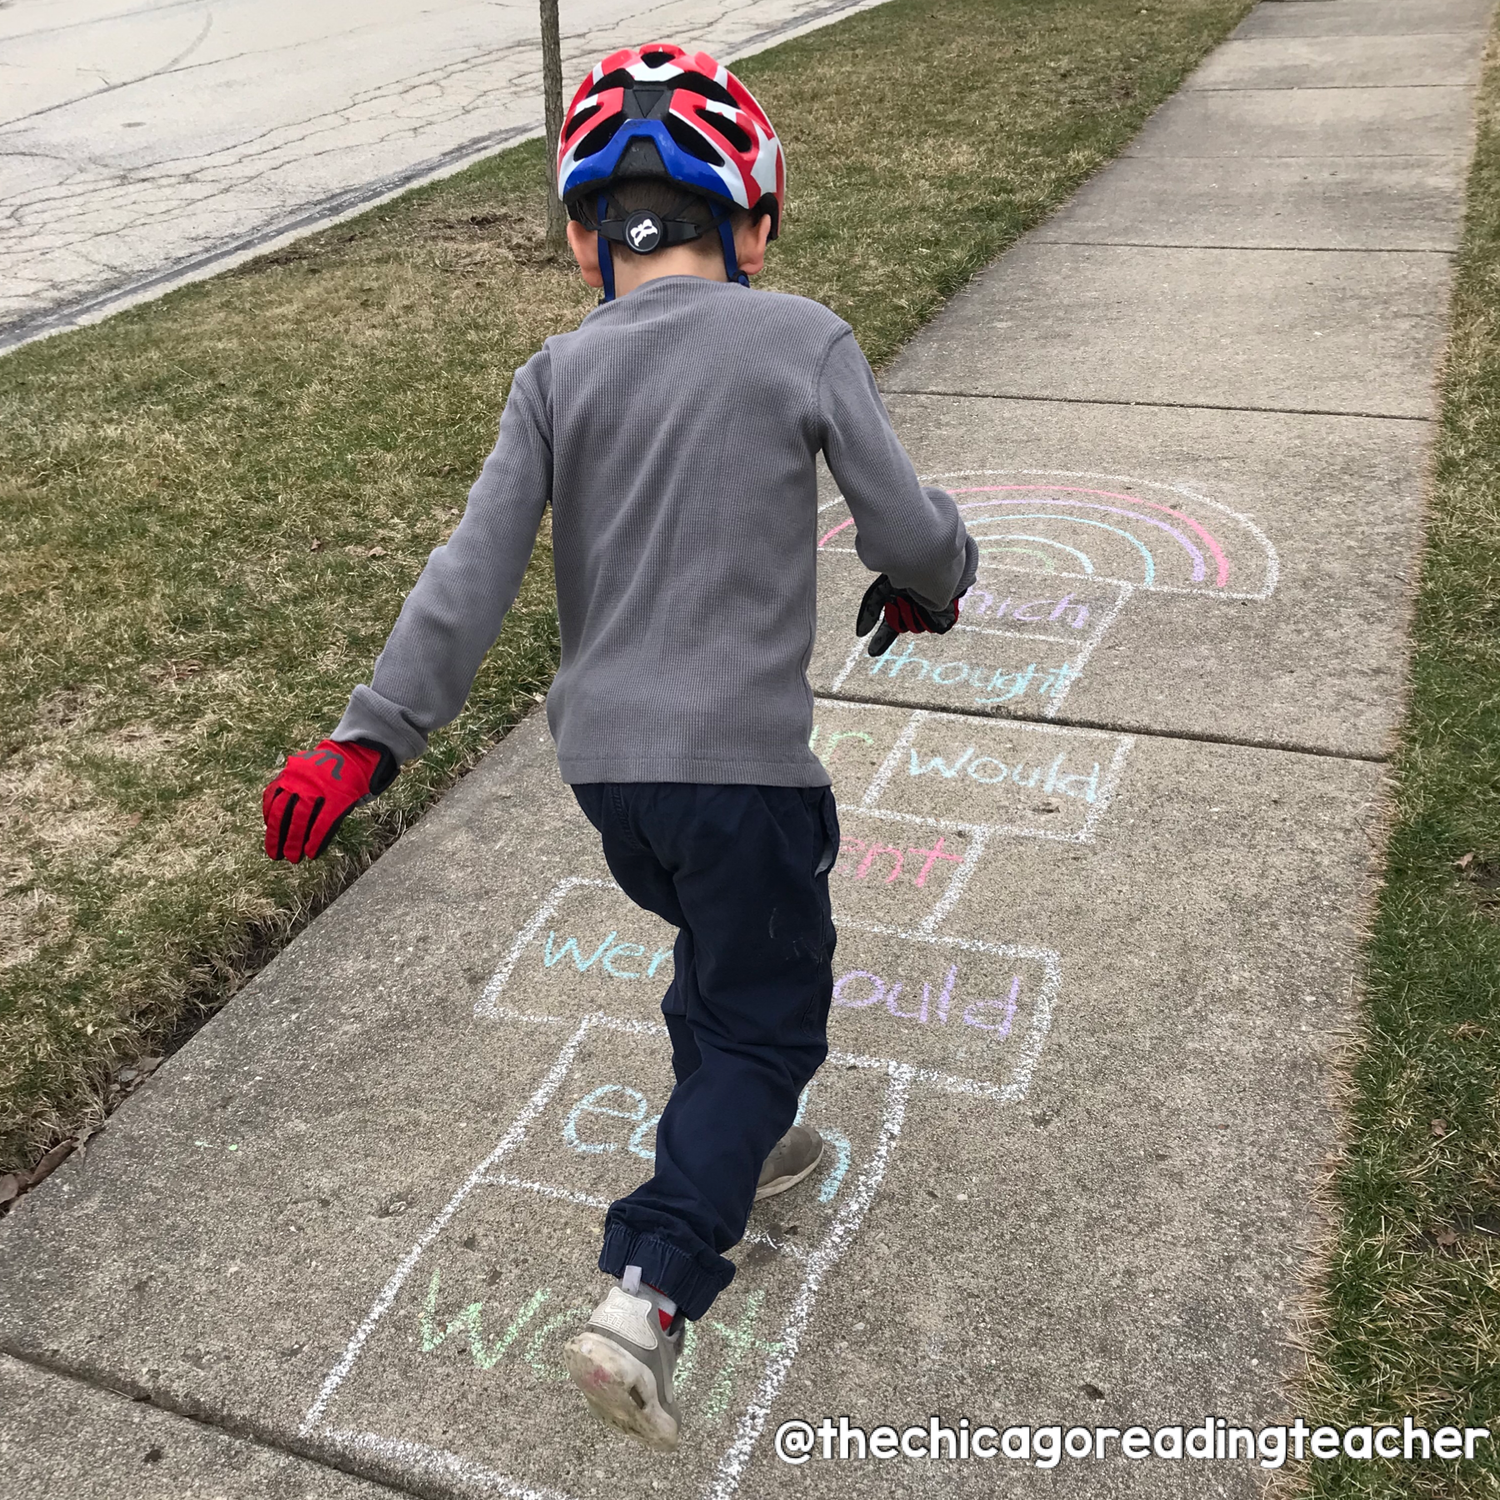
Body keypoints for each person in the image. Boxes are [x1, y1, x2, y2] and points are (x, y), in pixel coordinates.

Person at [261, 42, 975, 1452]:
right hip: (745, 776)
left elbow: (466, 577)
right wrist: (938, 578)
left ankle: (740, 1143)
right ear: (755, 220)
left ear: (589, 237)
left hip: (613, 785)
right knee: (767, 1018)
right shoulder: (802, 337)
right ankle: (650, 1291)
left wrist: (366, 743)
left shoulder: (553, 372)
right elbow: (904, 530)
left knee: (716, 961)